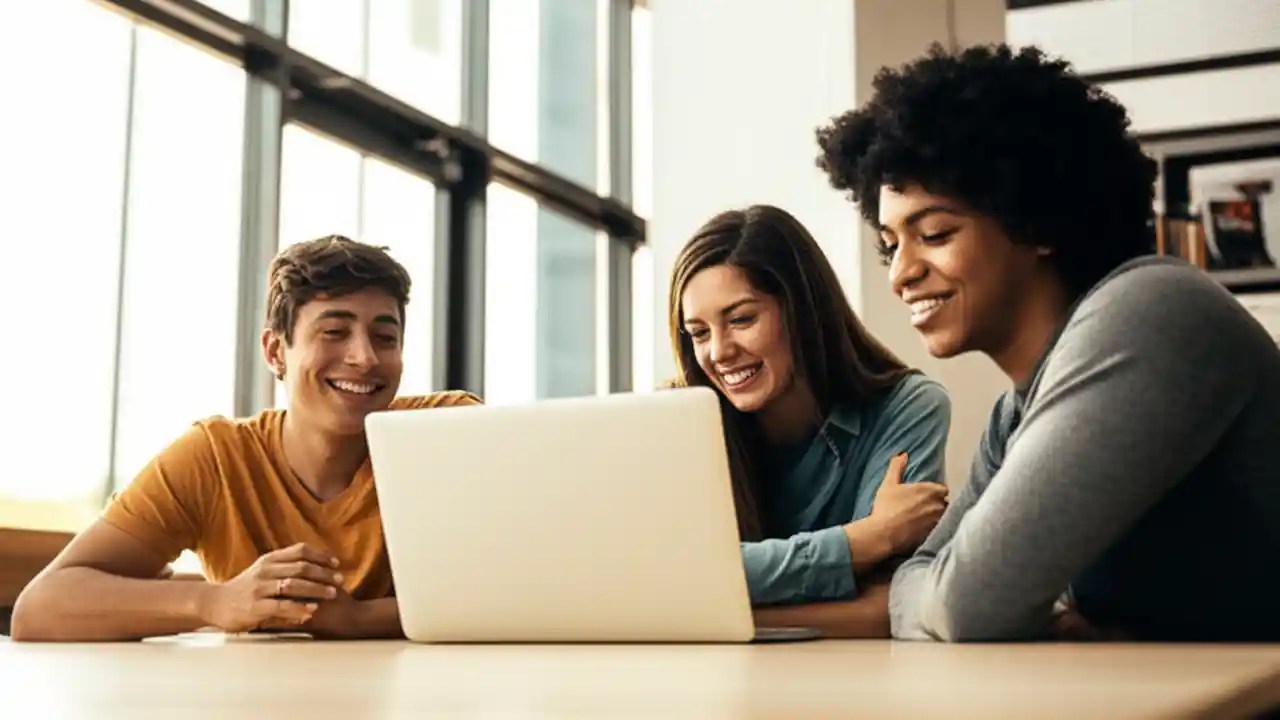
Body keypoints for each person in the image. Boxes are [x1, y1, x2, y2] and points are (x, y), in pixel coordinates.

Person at [815, 43, 1280, 641]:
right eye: (891, 243)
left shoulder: (1151, 311)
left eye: (934, 233)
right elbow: (920, 578)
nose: (901, 272)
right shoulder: (1015, 413)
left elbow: (967, 606)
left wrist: (970, 599)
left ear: (1035, 220)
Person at [12, 235, 478, 641]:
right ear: (277, 350)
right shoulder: (215, 457)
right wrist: (213, 603)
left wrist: (357, 620)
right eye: (334, 332)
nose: (364, 357)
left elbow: (520, 592)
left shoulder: (451, 431)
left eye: (386, 338)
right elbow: (40, 608)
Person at [668, 204, 951, 638]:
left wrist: (724, 617)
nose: (719, 352)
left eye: (741, 319)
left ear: (802, 311)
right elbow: (670, 572)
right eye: (700, 333)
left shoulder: (907, 409)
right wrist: (865, 540)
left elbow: (885, 607)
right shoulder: (680, 420)